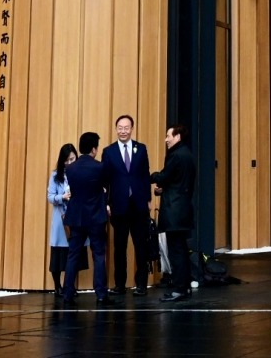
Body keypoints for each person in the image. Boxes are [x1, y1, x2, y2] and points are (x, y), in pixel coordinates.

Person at [100, 115, 155, 295]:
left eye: (126, 127)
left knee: (141, 246)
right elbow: (105, 179)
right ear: (116, 129)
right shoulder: (109, 151)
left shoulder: (141, 149)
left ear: (132, 129)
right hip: (119, 206)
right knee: (119, 247)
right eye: (120, 128)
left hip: (138, 205)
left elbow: (145, 175)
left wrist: (148, 199)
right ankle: (120, 285)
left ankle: (141, 284)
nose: (123, 131)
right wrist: (106, 203)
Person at [60, 132, 113, 305]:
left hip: (76, 216)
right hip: (96, 216)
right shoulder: (100, 167)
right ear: (94, 149)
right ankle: (100, 293)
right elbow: (105, 186)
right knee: (98, 254)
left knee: (73, 254)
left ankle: (67, 293)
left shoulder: (70, 168)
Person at [150, 124, 197, 302]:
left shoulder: (175, 156)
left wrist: (151, 176)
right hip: (184, 209)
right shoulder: (188, 155)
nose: (166, 139)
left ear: (177, 136)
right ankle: (184, 286)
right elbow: (178, 182)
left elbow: (164, 177)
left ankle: (178, 288)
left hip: (174, 211)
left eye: (168, 135)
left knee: (176, 251)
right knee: (182, 250)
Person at [47, 143, 75, 296]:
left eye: (72, 159)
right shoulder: (55, 176)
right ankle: (57, 286)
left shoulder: (77, 172)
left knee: (73, 253)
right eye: (67, 160)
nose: (70, 163)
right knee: (58, 255)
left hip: (74, 217)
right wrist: (62, 197)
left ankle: (69, 286)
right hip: (60, 220)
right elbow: (50, 197)